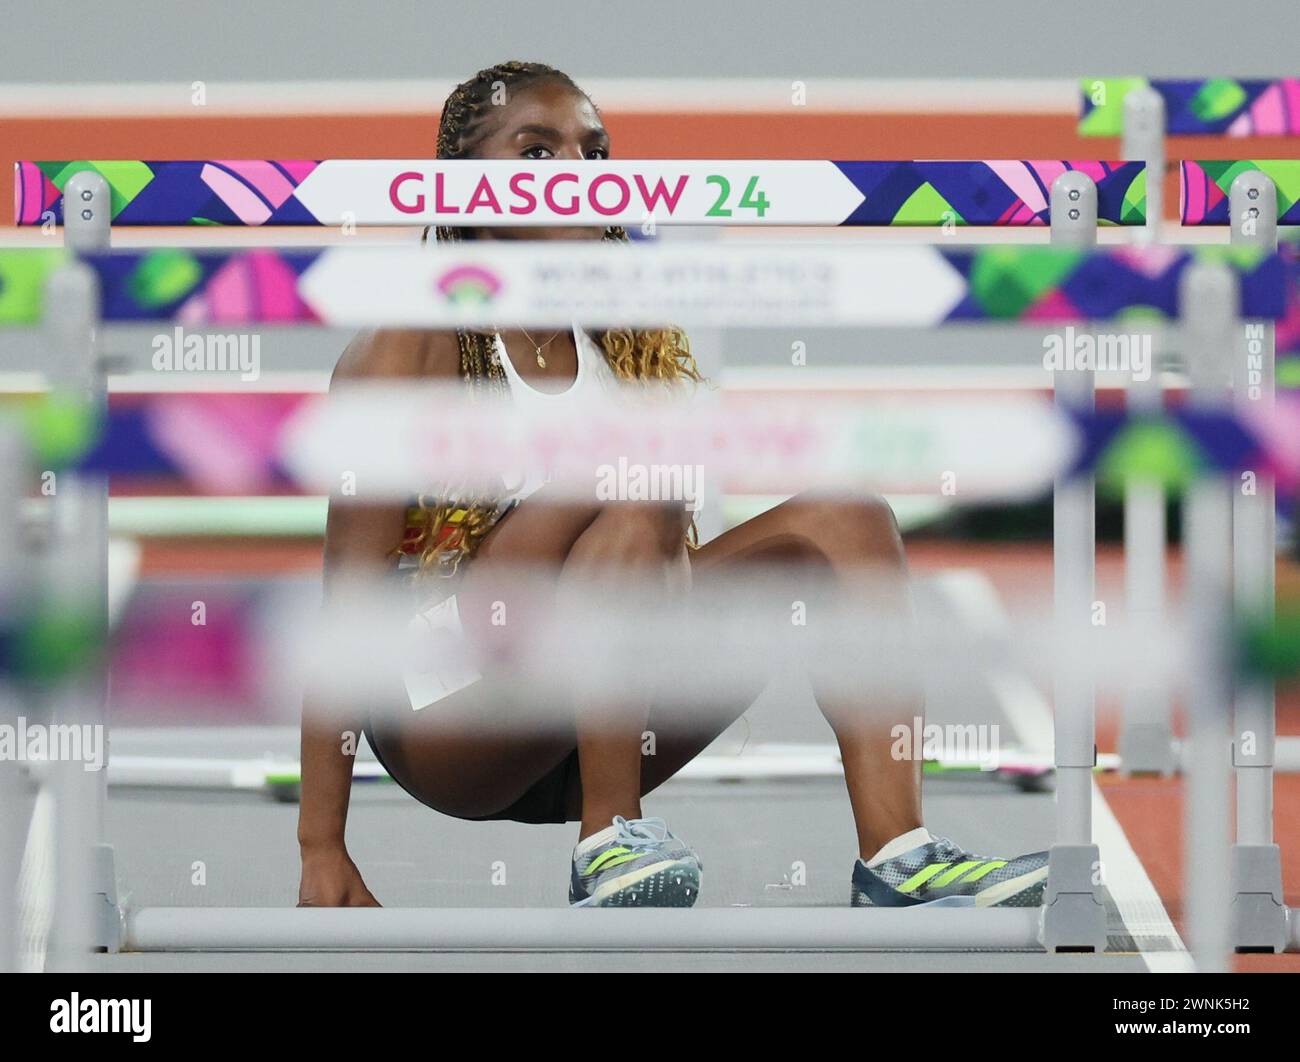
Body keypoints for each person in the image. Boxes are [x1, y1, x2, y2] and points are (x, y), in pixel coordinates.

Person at [296, 60, 1049, 910]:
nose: (577, 179)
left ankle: (897, 854)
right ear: (466, 187)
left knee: (848, 519)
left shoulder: (621, 334)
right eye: (537, 156)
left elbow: (650, 549)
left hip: (589, 718)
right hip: (447, 719)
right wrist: (321, 844)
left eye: (595, 156)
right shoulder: (411, 342)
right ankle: (611, 841)